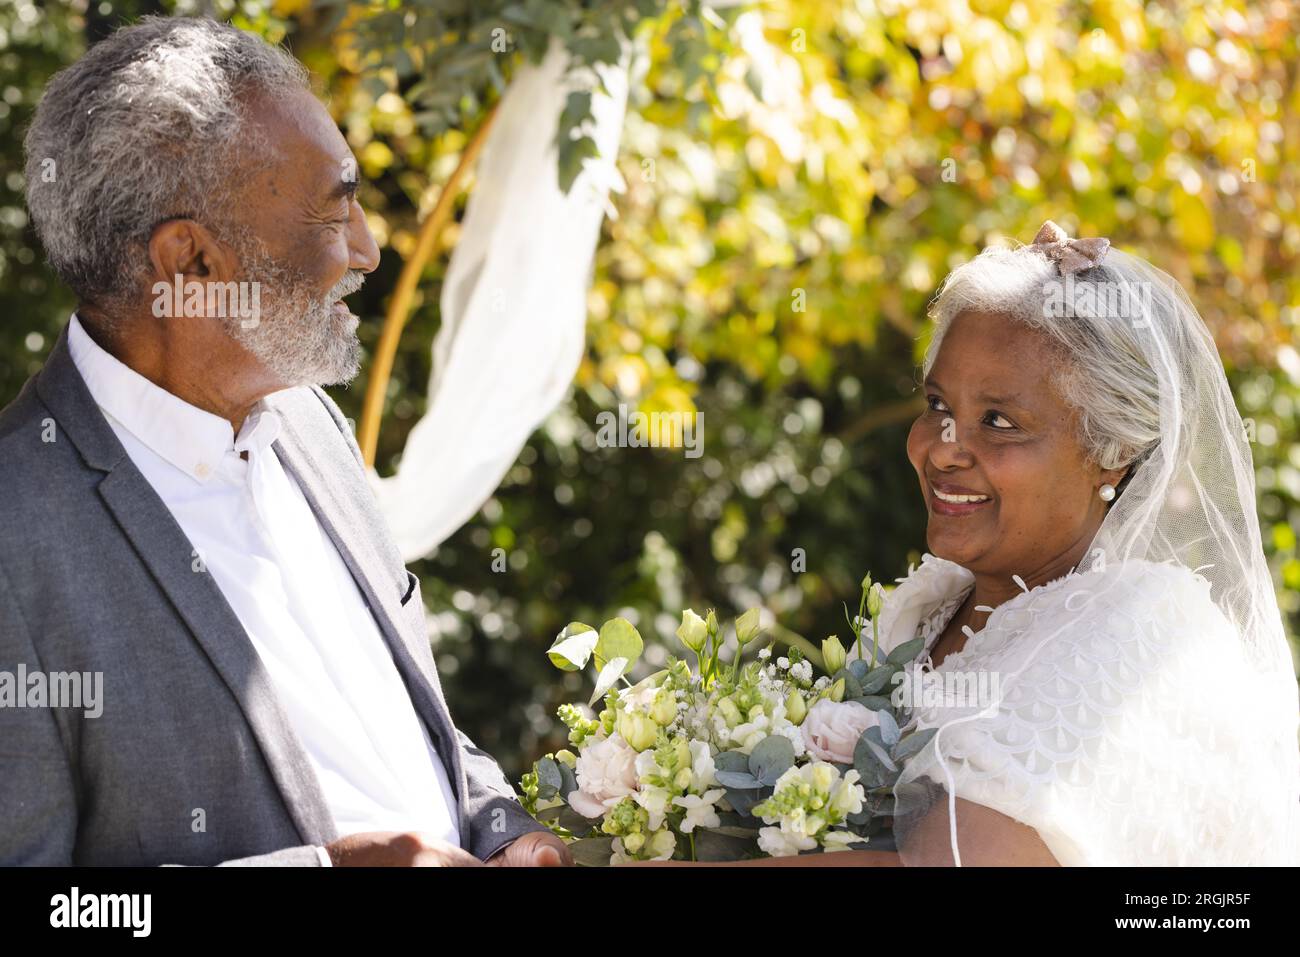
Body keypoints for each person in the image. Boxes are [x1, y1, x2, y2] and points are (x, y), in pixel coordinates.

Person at [0, 15, 569, 867]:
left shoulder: (308, 420)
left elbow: (417, 739)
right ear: (189, 262)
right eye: (333, 210)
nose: (368, 249)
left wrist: (504, 828)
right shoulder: (16, 533)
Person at [865, 220, 1300, 865]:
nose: (942, 449)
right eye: (937, 404)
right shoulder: (925, 606)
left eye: (1000, 422)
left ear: (1112, 450)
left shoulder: (1143, 641)